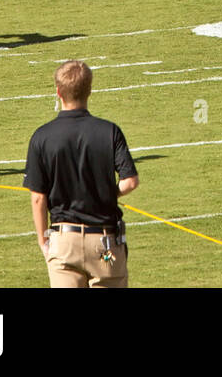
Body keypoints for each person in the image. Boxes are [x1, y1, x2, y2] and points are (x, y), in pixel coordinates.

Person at [24, 60, 138, 288]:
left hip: (64, 241)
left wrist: (43, 241)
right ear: (90, 90)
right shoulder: (109, 131)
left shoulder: (41, 137)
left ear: (58, 92)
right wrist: (106, 195)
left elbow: (38, 197)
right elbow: (130, 182)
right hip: (104, 242)